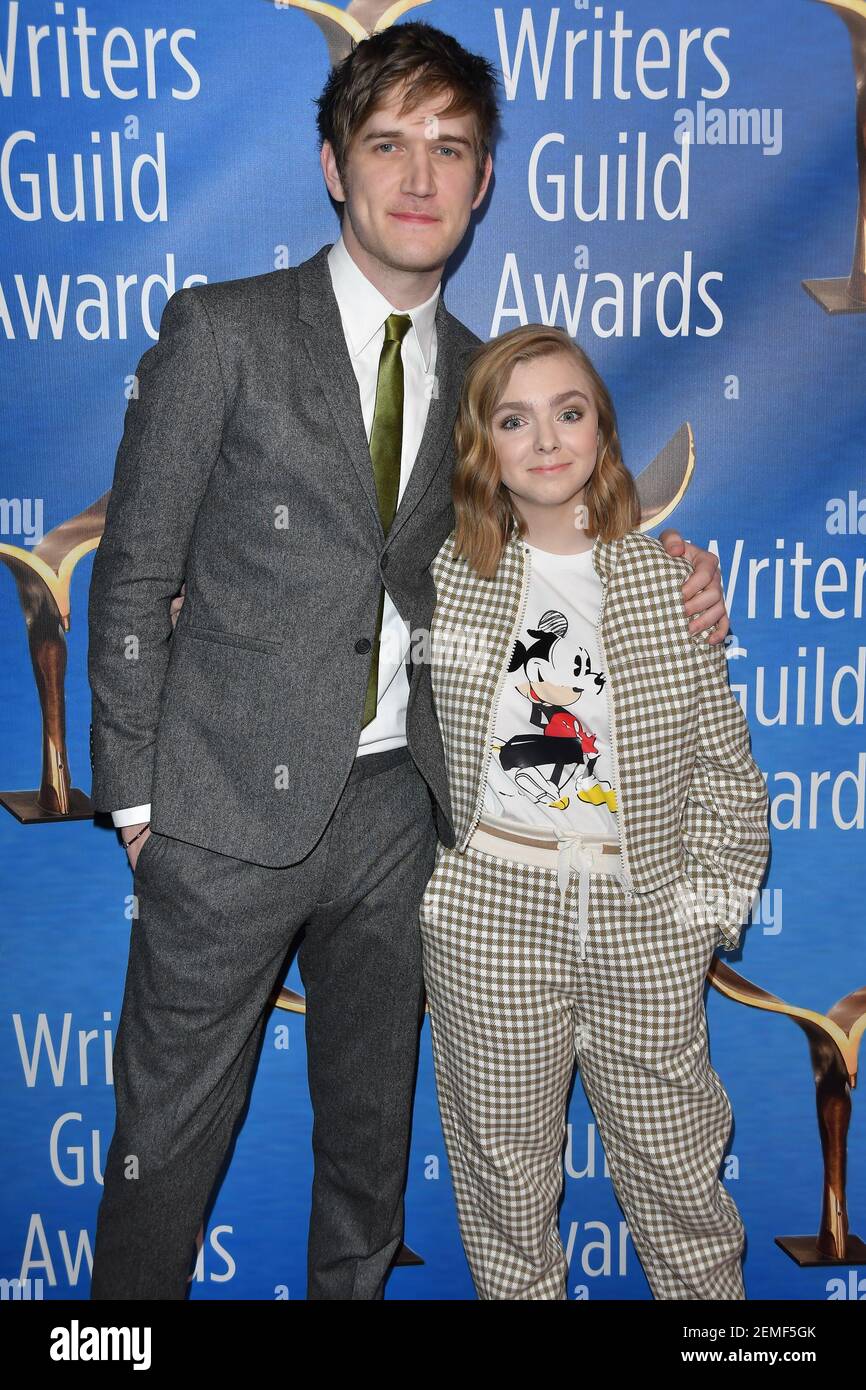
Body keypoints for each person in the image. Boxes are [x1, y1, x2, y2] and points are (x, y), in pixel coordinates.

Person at [87, 22, 731, 1301]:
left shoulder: (484, 380)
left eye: (451, 147)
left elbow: (552, 539)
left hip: (405, 820)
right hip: (216, 819)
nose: (420, 177)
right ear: (334, 166)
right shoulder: (223, 331)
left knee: (369, 1163)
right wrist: (141, 805)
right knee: (162, 1159)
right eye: (388, 144)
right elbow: (131, 574)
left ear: (484, 180)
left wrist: (663, 573)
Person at [418, 323, 770, 1301]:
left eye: (567, 412)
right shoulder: (442, 578)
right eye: (513, 419)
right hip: (487, 916)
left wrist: (697, 919)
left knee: (679, 1188)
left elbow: (726, 780)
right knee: (503, 1202)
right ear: (482, 447)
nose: (544, 439)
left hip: (640, 919)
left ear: (601, 430)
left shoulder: (669, 584)